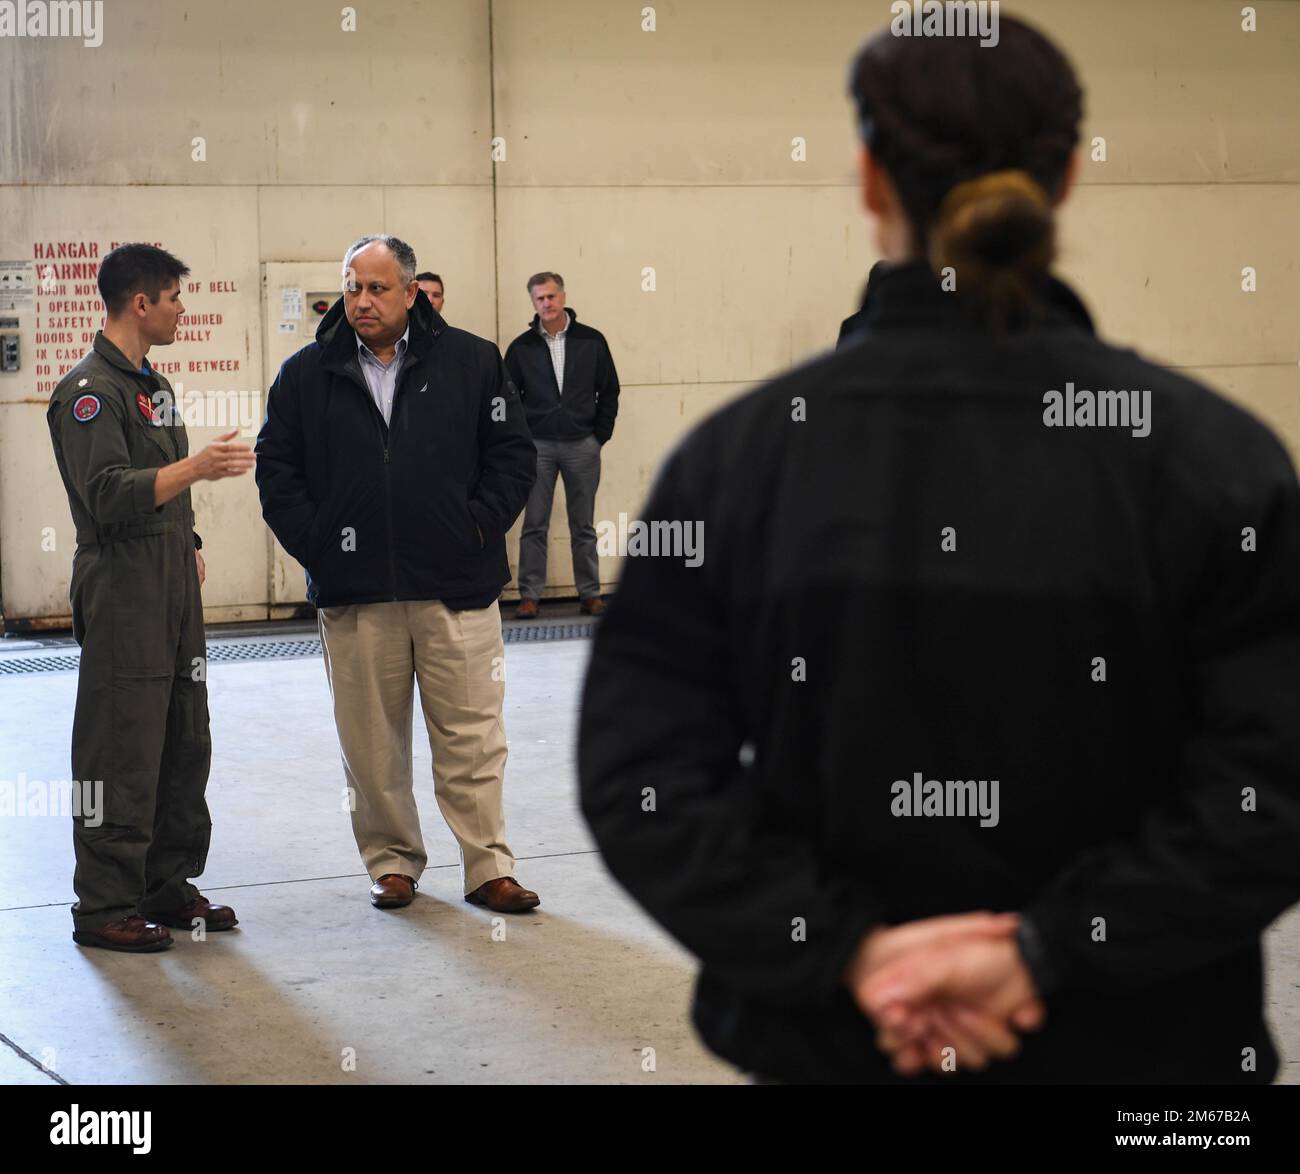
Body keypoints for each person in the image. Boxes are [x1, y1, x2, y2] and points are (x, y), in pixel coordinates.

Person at [577, 15, 1300, 1084]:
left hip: (836, 1049)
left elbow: (643, 778)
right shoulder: (1213, 461)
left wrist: (849, 954)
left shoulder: (736, 466)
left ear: (869, 180)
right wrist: (1046, 951)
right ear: (1066, 179)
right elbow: (1273, 783)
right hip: (1155, 1066)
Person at [255, 234, 541, 913]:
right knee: (370, 745)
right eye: (353, 287)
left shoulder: (472, 361)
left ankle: (487, 867)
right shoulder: (306, 373)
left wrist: (475, 526)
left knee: (471, 737)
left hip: (455, 586)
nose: (362, 300)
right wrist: (320, 546)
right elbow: (277, 470)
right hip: (356, 594)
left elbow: (512, 454)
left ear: (411, 293)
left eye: (378, 288)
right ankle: (392, 864)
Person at [47, 242, 254, 952]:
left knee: (180, 734)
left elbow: (163, 489)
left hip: (168, 579)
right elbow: (106, 495)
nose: (180, 311)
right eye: (173, 299)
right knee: (120, 744)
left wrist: (188, 545)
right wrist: (196, 469)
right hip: (123, 584)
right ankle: (104, 905)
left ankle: (165, 886)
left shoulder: (152, 387)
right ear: (141, 303)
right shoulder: (87, 393)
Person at [504, 272, 619, 618]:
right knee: (534, 524)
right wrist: (523, 439)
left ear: (563, 296)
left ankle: (590, 593)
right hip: (537, 448)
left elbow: (609, 390)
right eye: (540, 298)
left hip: (582, 445)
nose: (547, 303)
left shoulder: (592, 341)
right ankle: (530, 596)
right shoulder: (521, 347)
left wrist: (599, 436)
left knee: (582, 524)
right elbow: (509, 397)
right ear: (533, 302)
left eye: (551, 296)